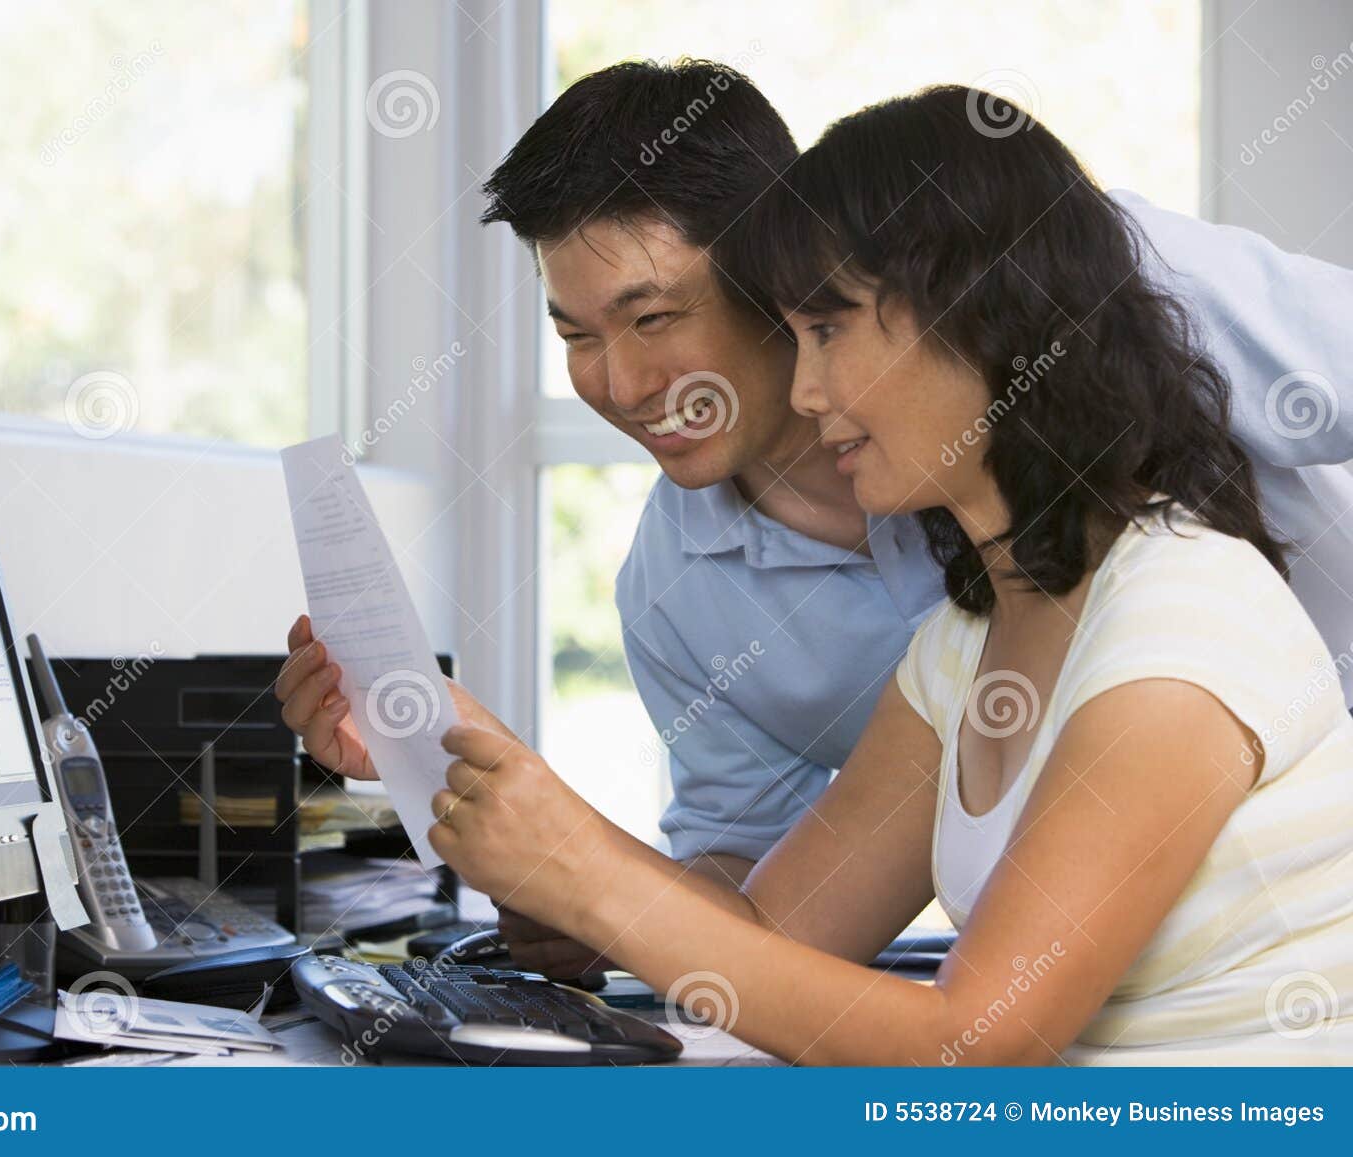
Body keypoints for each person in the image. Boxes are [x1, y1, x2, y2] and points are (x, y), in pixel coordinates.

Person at [279, 59, 1353, 980]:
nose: (616, 380)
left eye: (652, 316)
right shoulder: (763, 608)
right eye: (575, 333)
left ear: (772, 265)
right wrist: (520, 840)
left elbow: (958, 1036)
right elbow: (762, 911)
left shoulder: (1076, 279)